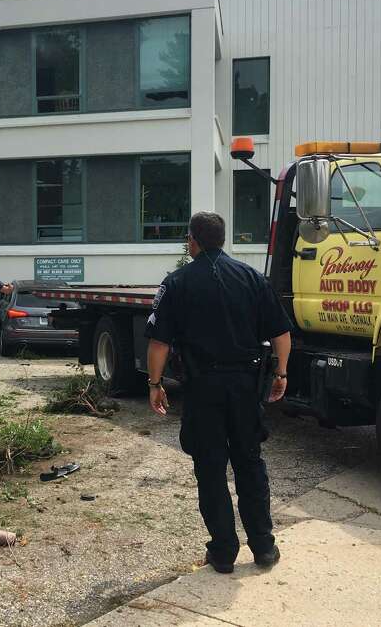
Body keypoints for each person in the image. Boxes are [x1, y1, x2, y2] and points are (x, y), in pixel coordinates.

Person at [145, 212, 292, 574]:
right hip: (245, 387)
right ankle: (264, 548)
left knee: (210, 470)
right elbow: (281, 334)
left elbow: (159, 342)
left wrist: (154, 384)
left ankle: (224, 552)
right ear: (222, 239)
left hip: (203, 389)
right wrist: (281, 373)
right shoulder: (252, 278)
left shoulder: (177, 282)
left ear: (193, 240)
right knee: (250, 463)